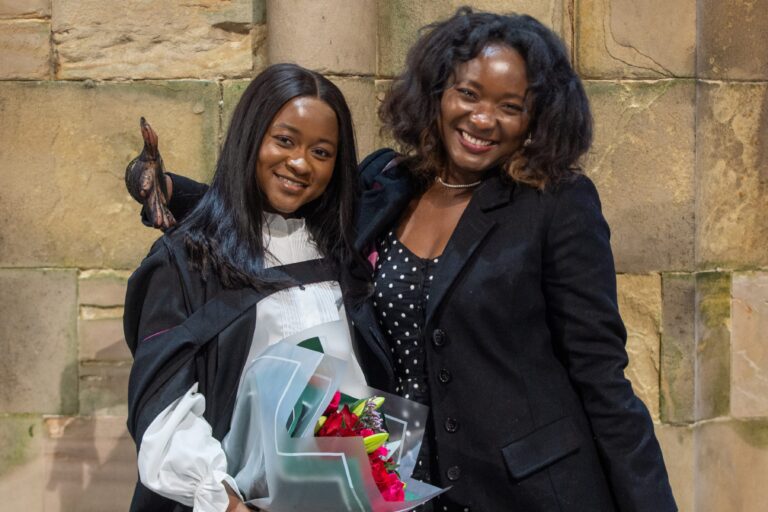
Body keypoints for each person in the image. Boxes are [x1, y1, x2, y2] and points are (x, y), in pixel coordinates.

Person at [126, 9, 677, 511]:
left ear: (538, 118)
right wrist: (172, 190)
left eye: (511, 107)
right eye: (469, 94)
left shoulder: (555, 206)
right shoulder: (388, 182)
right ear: (437, 91)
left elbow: (602, 377)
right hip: (403, 488)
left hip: (530, 492)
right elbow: (292, 206)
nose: (484, 119)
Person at [123, 63, 367, 512]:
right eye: (285, 140)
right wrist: (227, 502)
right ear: (250, 137)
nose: (300, 163)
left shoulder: (344, 253)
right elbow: (163, 405)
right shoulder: (187, 262)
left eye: (322, 151)